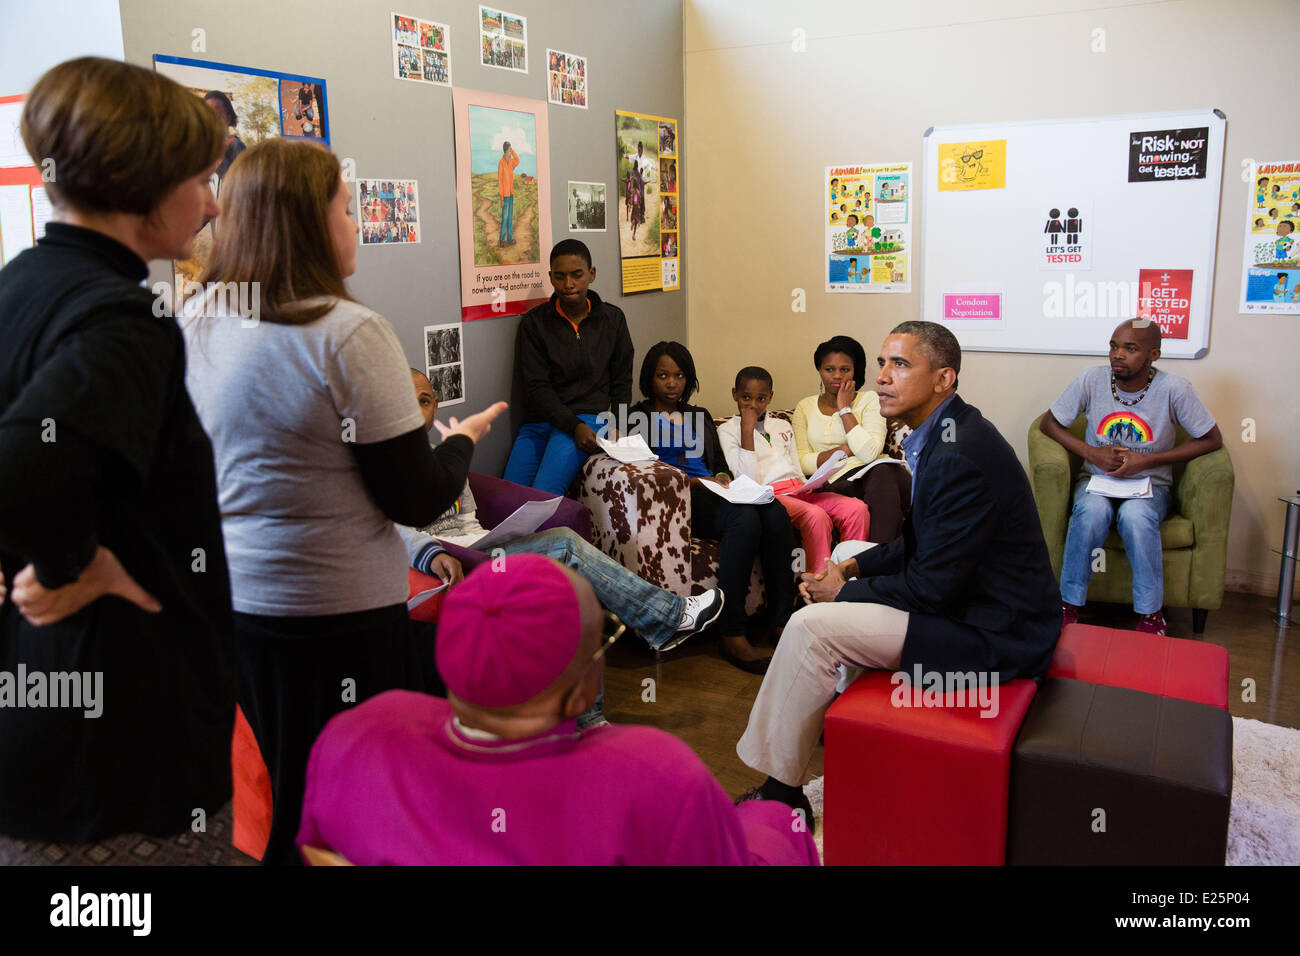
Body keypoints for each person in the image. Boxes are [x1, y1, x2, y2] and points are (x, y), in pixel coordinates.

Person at [180, 136, 507, 865]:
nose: (358, 225)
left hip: (239, 609)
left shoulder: (196, 321)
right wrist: (463, 442)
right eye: (348, 210)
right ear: (305, 221)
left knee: (276, 797)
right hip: (341, 617)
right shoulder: (347, 333)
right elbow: (417, 497)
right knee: (354, 805)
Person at [0, 57, 240, 861]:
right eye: (201, 177)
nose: (210, 202)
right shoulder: (122, 321)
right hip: (123, 761)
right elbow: (23, 470)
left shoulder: (21, 285)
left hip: (47, 738)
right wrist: (82, 563)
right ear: (146, 183)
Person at [736, 321, 1062, 821]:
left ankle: (780, 793)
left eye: (901, 364)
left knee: (809, 629)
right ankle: (831, 708)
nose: (883, 376)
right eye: (883, 363)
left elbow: (931, 587)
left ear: (943, 379)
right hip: (969, 601)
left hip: (995, 633)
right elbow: (915, 544)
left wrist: (842, 594)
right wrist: (847, 567)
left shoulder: (958, 454)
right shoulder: (948, 431)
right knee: (857, 545)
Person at [296, 556, 819, 865]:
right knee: (781, 821)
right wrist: (776, 822)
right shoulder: (654, 773)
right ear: (581, 691)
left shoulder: (355, 733)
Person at [399, 368, 725, 711]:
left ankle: (588, 719)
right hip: (449, 560)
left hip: (479, 547)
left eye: (424, 401)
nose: (415, 410)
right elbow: (383, 528)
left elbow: (467, 518)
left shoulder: (445, 454)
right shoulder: (378, 465)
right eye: (406, 401)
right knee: (565, 544)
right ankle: (667, 617)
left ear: (435, 406)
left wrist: (495, 535)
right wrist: (431, 551)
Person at [1040, 319, 1221, 635]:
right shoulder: (1091, 379)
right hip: (1097, 480)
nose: (1117, 355)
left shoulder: (1174, 389)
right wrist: (1090, 452)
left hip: (1149, 486)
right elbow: (1049, 424)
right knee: (1091, 511)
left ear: (1154, 354)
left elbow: (1211, 439)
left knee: (1136, 518)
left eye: (1130, 348)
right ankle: (1068, 605)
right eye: (1113, 346)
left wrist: (1147, 461)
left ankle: (1151, 614)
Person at [630, 343, 795, 674]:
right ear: (650, 379)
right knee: (745, 518)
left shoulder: (698, 415)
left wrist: (720, 477)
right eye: (663, 376)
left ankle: (780, 621)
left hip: (711, 491)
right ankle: (732, 632)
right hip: (677, 499)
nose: (672, 383)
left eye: (679, 376)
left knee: (775, 511)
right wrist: (685, 481)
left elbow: (719, 465)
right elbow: (638, 465)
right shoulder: (638, 416)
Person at [504, 239, 633, 496]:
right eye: (560, 277)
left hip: (589, 418)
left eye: (577, 275)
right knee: (507, 497)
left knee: (545, 493)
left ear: (591, 274)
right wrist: (570, 424)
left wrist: (618, 425)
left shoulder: (613, 319)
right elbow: (535, 386)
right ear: (551, 277)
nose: (568, 284)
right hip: (542, 421)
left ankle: (554, 538)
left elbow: (622, 380)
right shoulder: (534, 323)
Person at [718, 366, 869, 575]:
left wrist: (814, 483)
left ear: (770, 397)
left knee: (857, 509)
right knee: (815, 515)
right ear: (734, 394)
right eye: (745, 398)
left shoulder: (782, 425)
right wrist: (746, 430)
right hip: (770, 495)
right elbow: (748, 481)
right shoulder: (726, 430)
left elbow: (796, 469)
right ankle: (818, 586)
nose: (753, 405)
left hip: (800, 489)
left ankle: (851, 578)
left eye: (760, 399)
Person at [792, 335, 911, 543]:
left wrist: (844, 408)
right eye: (829, 369)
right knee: (863, 485)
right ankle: (880, 563)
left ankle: (872, 563)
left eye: (845, 370)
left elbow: (869, 453)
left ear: (856, 371)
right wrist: (840, 452)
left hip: (876, 473)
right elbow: (801, 462)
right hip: (836, 482)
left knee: (883, 472)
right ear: (820, 371)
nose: (837, 376)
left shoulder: (870, 399)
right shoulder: (805, 407)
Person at [497, 140, 519, 245]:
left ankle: (510, 239)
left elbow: (518, 160)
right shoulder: (501, 163)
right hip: (505, 196)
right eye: (510, 149)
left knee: (510, 217)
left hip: (511, 194)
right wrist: (501, 198)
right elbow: (500, 182)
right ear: (506, 150)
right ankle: (501, 240)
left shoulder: (511, 162)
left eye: (511, 150)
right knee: (504, 218)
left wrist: (513, 150)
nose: (511, 151)